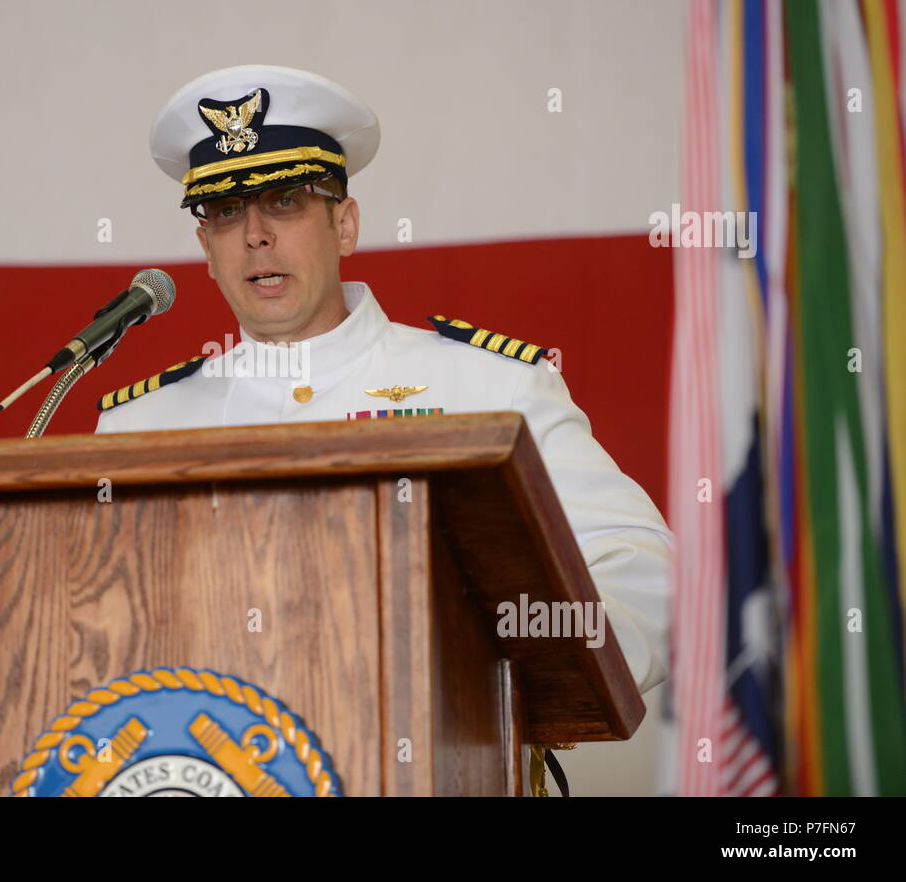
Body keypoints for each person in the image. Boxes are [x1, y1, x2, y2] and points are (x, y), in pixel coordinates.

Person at [95, 64, 672, 696]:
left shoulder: (490, 387)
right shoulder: (138, 425)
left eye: (285, 201)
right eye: (227, 212)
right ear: (206, 247)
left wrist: (501, 670)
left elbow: (643, 575)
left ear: (343, 225)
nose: (256, 235)